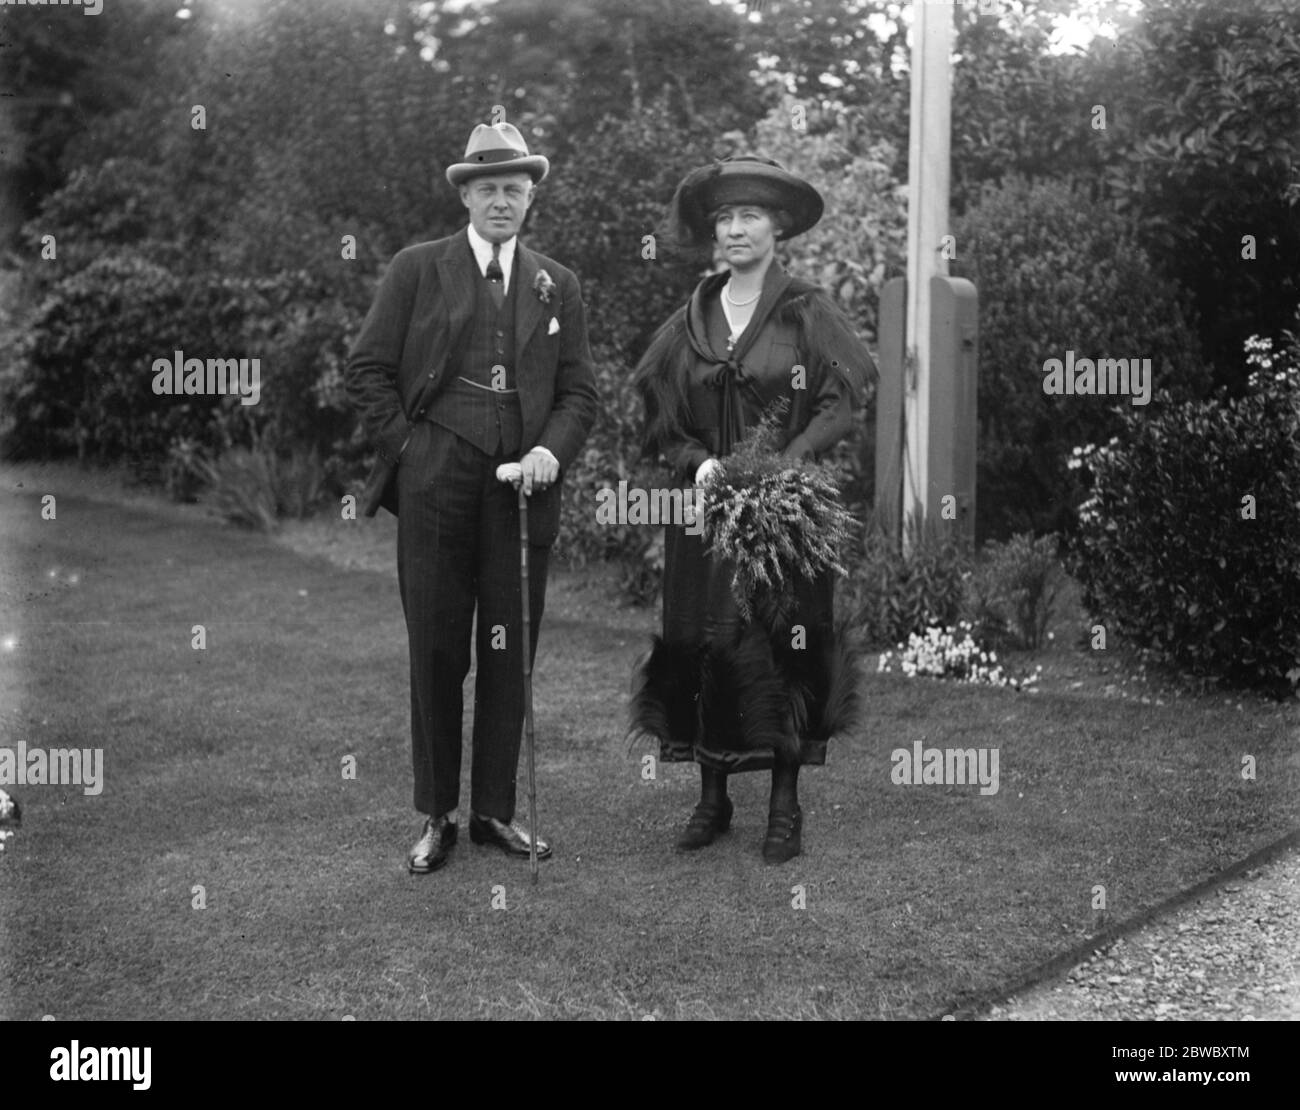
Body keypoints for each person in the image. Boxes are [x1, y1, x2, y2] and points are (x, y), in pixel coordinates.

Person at [346, 122, 598, 874]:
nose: (501, 201)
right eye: (488, 188)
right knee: (435, 649)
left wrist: (551, 449)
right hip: (436, 490)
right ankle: (438, 815)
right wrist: (412, 452)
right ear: (464, 193)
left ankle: (494, 811)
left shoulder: (558, 283)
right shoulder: (416, 270)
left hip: (523, 496)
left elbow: (580, 391)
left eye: (514, 190)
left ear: (530, 198)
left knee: (509, 651)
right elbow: (367, 371)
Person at [630, 154, 875, 864]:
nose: (735, 230)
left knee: (782, 643)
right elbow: (662, 418)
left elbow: (843, 399)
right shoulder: (691, 319)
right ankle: (712, 797)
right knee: (707, 643)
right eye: (724, 219)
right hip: (705, 514)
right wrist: (697, 464)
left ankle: (785, 805)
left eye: (750, 217)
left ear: (779, 228)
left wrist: (785, 467)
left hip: (785, 518)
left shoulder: (805, 311)